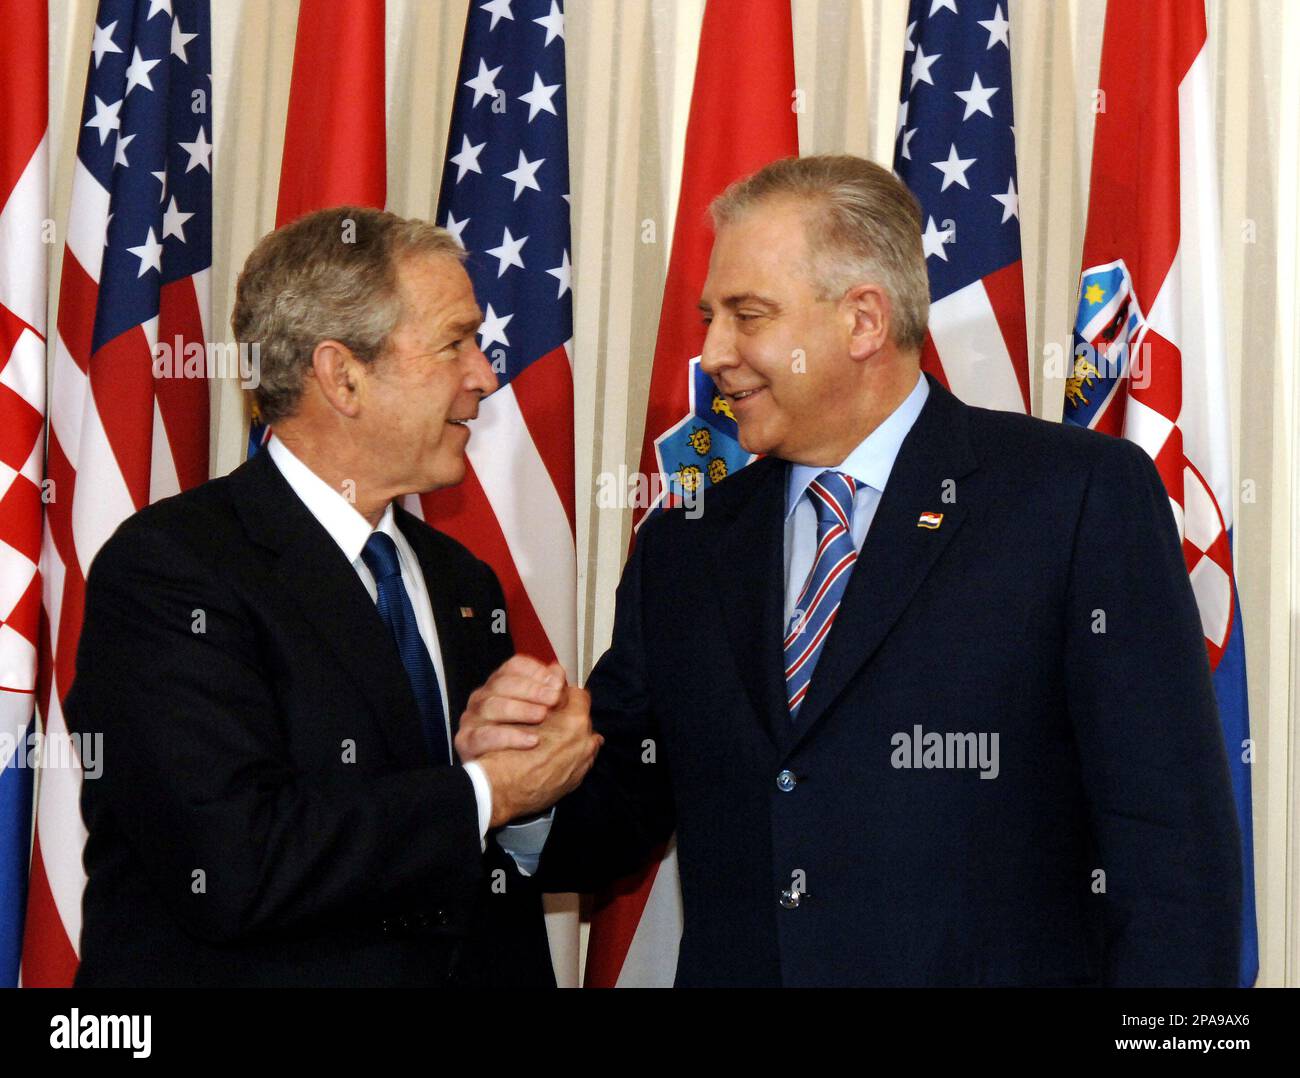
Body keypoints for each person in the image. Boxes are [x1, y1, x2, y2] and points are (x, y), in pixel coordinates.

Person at [457, 155, 1243, 987]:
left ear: (863, 319)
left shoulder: (1073, 498)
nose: (714, 353)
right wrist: (527, 779)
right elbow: (622, 809)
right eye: (710, 317)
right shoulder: (686, 543)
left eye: (746, 315)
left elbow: (1170, 850)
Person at [67, 207, 599, 987]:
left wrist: (530, 792)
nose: (485, 374)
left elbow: (468, 856)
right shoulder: (171, 571)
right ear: (341, 375)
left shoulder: (459, 581)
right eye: (455, 343)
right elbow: (233, 862)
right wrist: (486, 791)